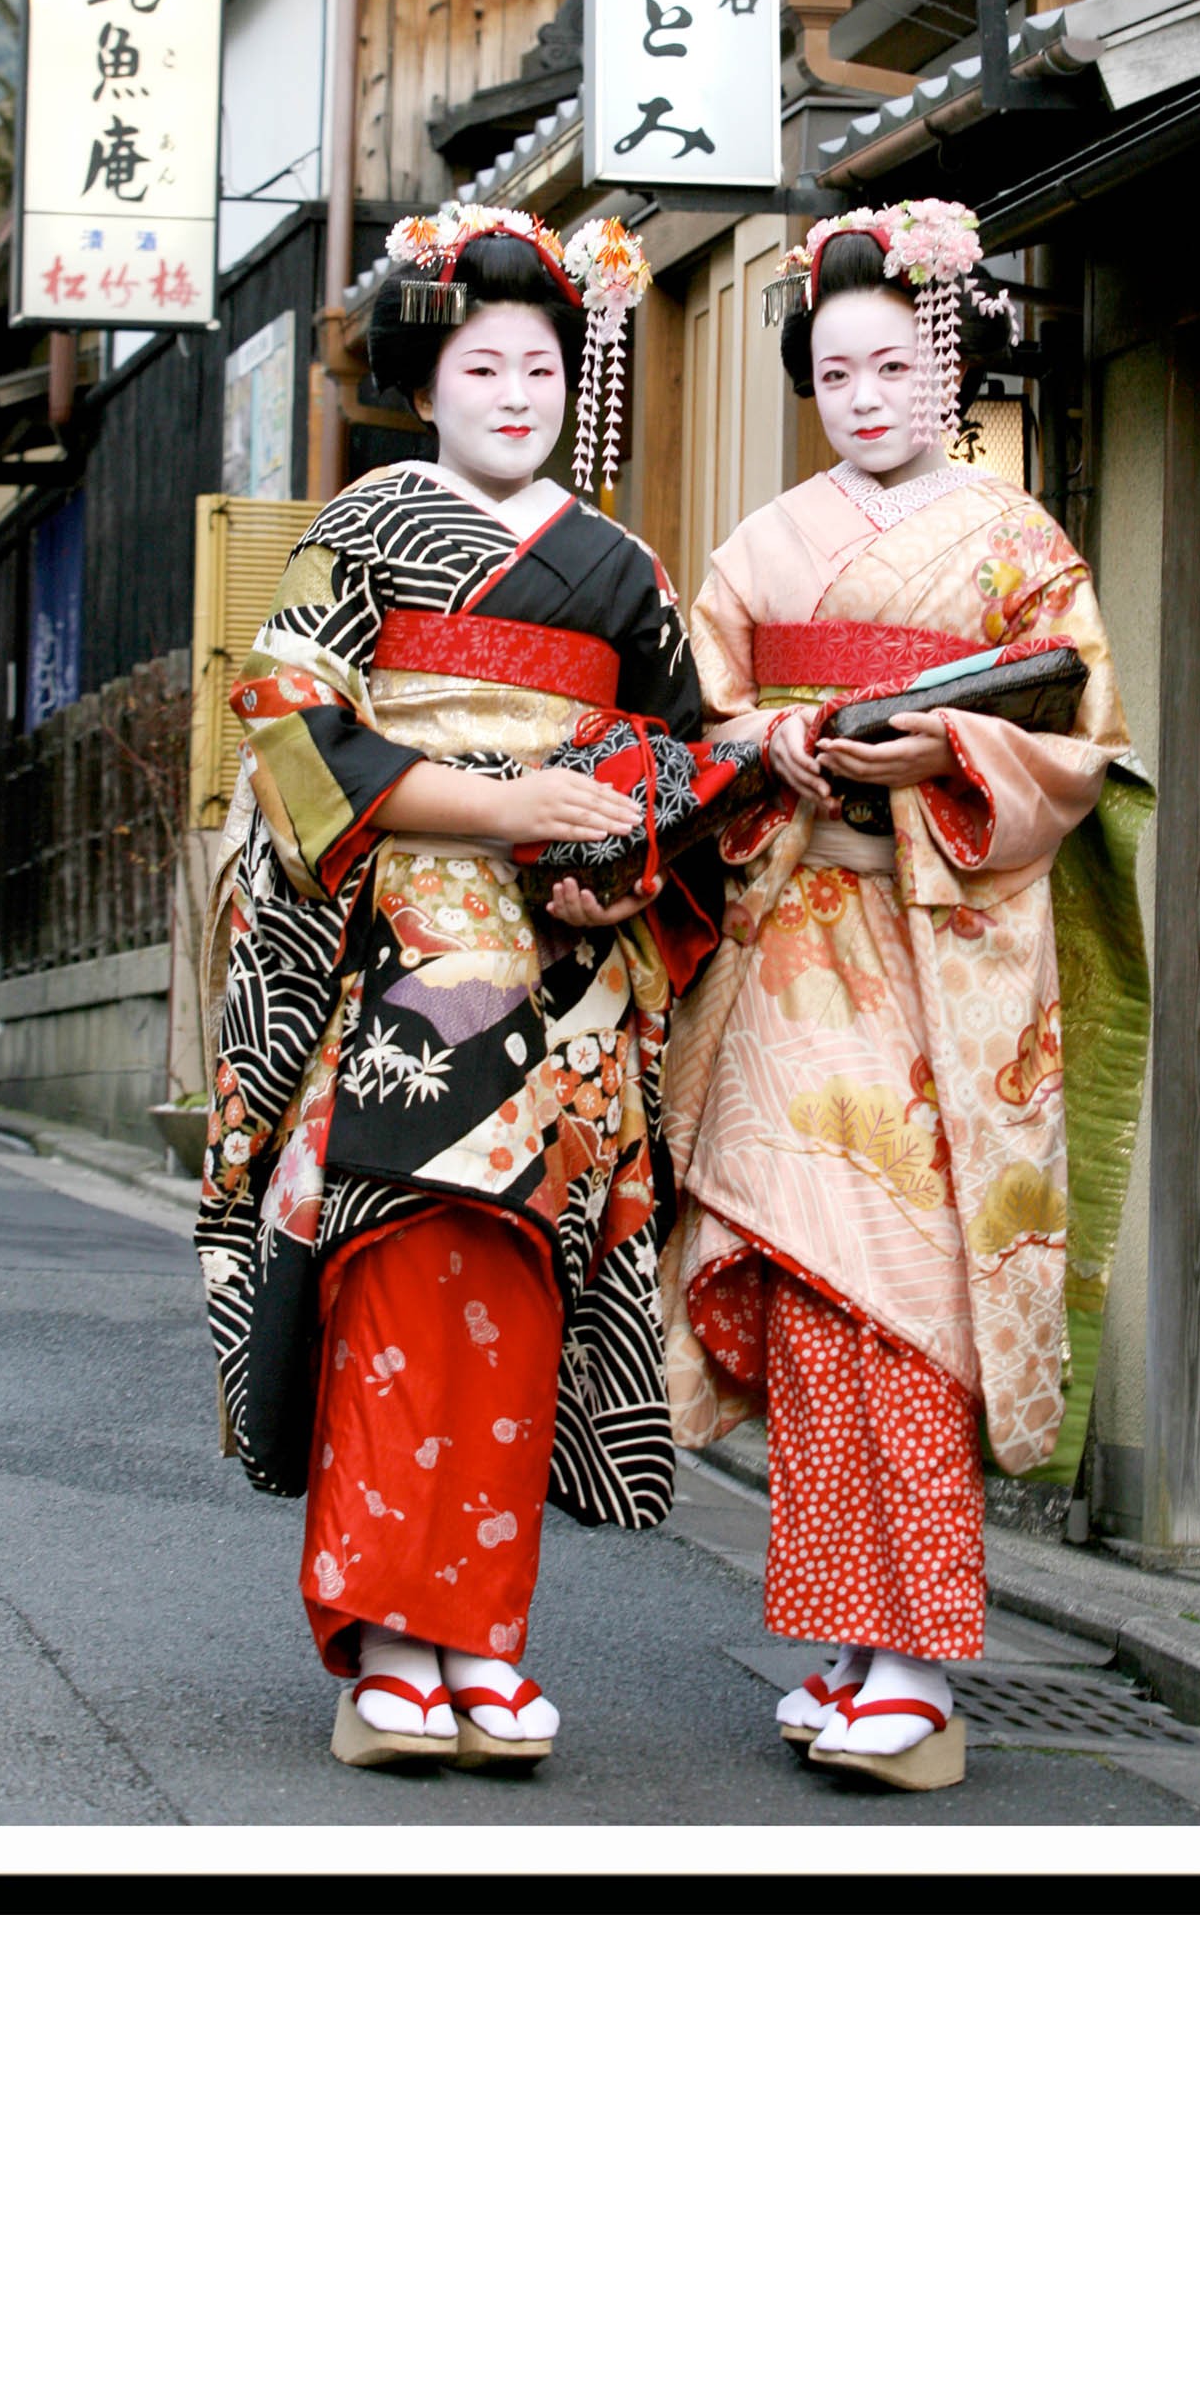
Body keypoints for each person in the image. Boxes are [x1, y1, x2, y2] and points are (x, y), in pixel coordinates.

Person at [194, 205, 717, 1769]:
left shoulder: (619, 566)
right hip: (400, 953)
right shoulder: (361, 529)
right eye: (482, 364)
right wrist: (498, 805)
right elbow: (287, 720)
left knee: (516, 1303)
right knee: (394, 1281)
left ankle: (481, 1636)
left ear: (578, 384)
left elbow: (680, 754)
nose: (513, 391)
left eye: (543, 366)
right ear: (427, 385)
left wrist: (620, 846)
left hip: (562, 980)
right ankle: (377, 1643)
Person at [659, 202, 1151, 1790]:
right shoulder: (756, 548)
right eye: (834, 369)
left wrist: (945, 748)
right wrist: (778, 749)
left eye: (893, 363)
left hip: (945, 957)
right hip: (794, 948)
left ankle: (919, 1665)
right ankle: (840, 1639)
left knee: (913, 1313)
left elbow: (1083, 744)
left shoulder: (1022, 547)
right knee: (812, 1292)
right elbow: (699, 727)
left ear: (946, 365)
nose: (863, 396)